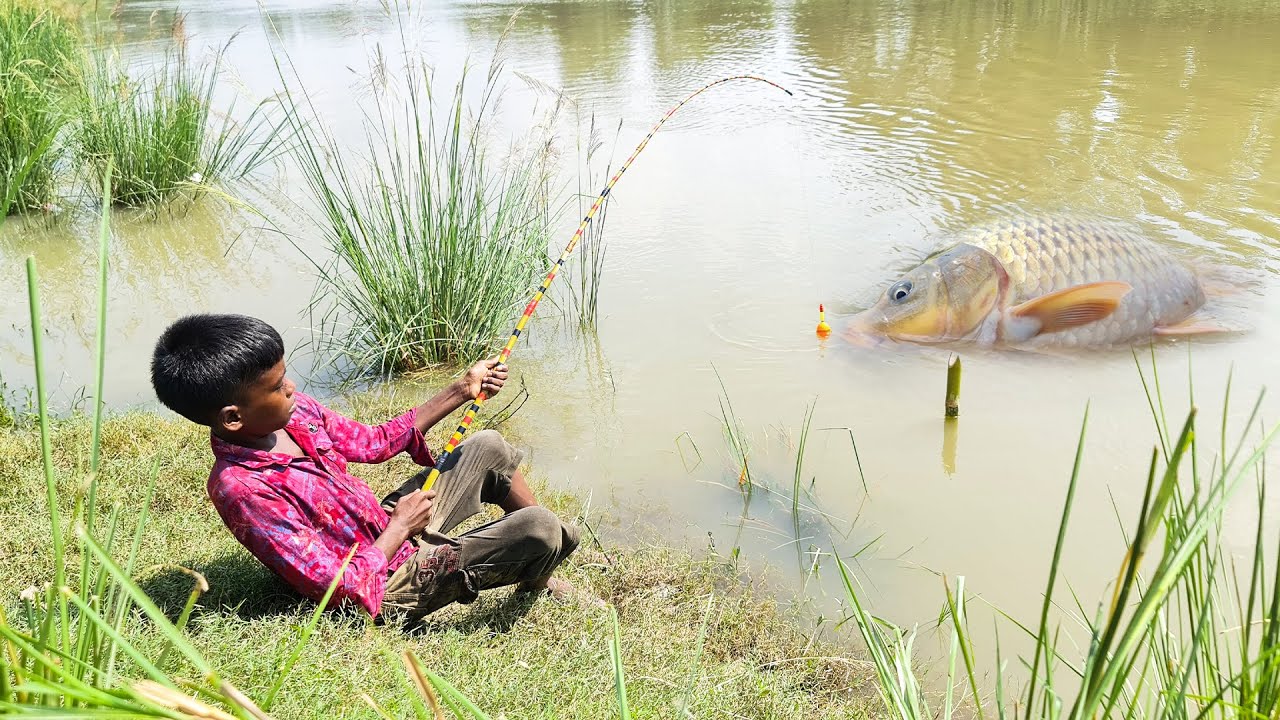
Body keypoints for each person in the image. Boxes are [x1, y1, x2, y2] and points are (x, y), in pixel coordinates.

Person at [150, 313, 586, 627]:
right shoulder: (241, 489)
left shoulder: (294, 414)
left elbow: (373, 443)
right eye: (277, 386)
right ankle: (540, 561)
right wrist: (398, 529)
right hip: (381, 587)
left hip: (388, 528)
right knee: (539, 527)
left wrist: (461, 389)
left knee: (487, 445)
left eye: (286, 376)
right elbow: (331, 590)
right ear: (232, 418)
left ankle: (542, 569)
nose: (293, 388)